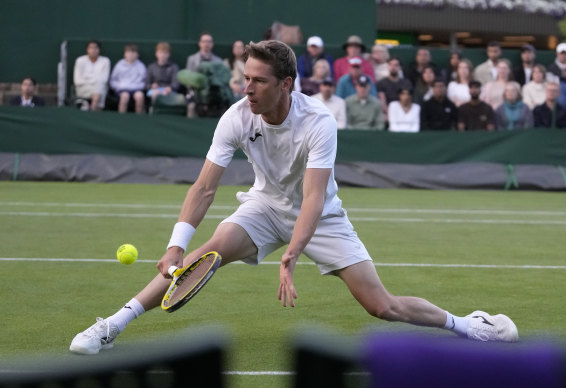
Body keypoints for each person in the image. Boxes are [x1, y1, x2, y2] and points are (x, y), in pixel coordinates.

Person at [69, 40, 518, 356]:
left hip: (319, 216)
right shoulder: (236, 116)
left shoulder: (318, 122)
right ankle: (112, 325)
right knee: (200, 257)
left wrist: (293, 254)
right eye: (245, 78)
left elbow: (313, 198)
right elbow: (204, 187)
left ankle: (470, 326)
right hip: (263, 207)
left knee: (382, 306)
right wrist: (175, 243)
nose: (247, 89)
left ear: (286, 84)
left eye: (258, 81)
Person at [73, 40, 110, 111]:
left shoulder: (105, 61)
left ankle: (92, 112)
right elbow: (77, 81)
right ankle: (96, 113)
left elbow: (104, 79)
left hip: (99, 88)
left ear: (99, 50)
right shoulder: (80, 60)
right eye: (91, 48)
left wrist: (87, 78)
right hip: (83, 89)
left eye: (96, 48)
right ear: (87, 50)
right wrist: (95, 80)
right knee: (99, 87)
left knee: (99, 89)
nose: (93, 50)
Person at [109, 44, 147, 114]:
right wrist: (119, 86)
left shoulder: (141, 66)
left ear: (137, 55)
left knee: (140, 97)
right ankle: (121, 119)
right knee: (124, 96)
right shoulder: (119, 65)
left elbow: (144, 82)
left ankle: (140, 119)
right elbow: (112, 80)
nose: (131, 55)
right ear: (125, 54)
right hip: (122, 89)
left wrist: (136, 87)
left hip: (136, 89)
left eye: (133, 52)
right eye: (129, 52)